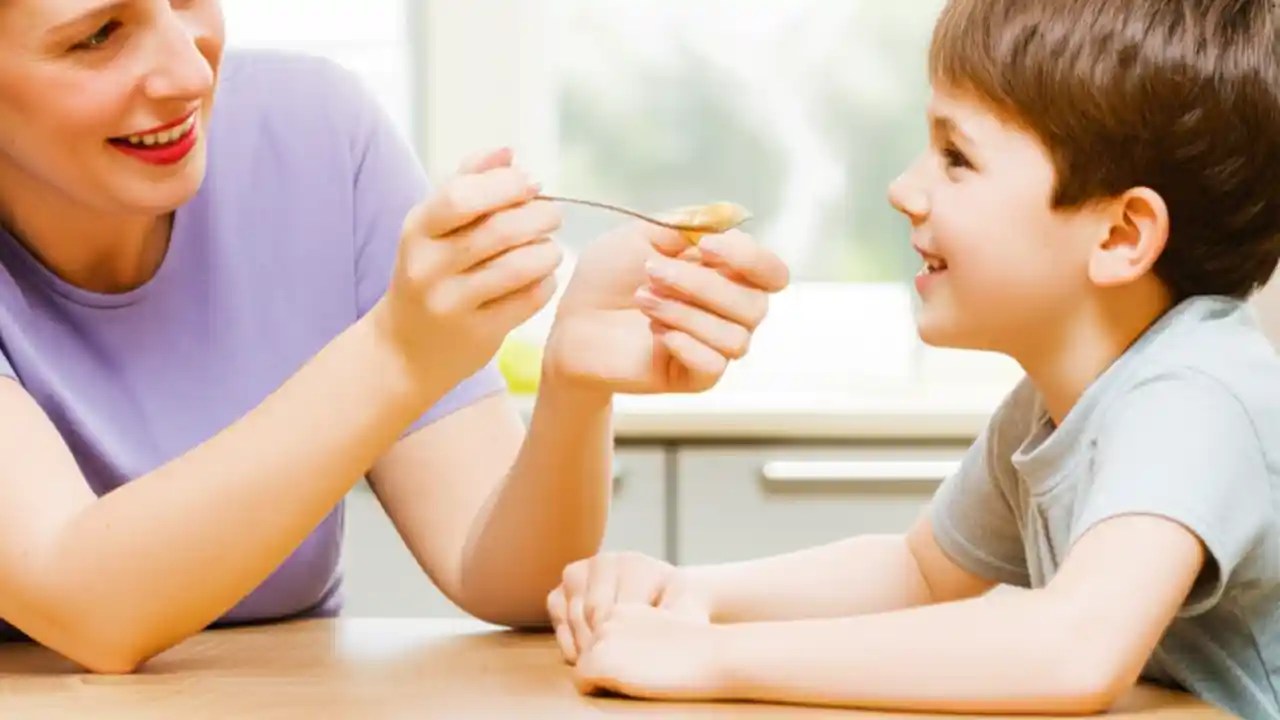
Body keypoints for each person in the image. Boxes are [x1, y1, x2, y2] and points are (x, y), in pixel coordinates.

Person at [0, 0, 790, 674]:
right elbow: (88, 603)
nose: (191, 73)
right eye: (98, 35)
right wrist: (399, 352)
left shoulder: (317, 133)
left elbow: (506, 577)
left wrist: (575, 387)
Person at [548, 0, 1280, 716]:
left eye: (956, 157)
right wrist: (692, 594)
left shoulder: (1197, 396)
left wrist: (712, 659)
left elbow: (1073, 647)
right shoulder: (1055, 405)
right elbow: (920, 572)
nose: (903, 190)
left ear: (1121, 236)